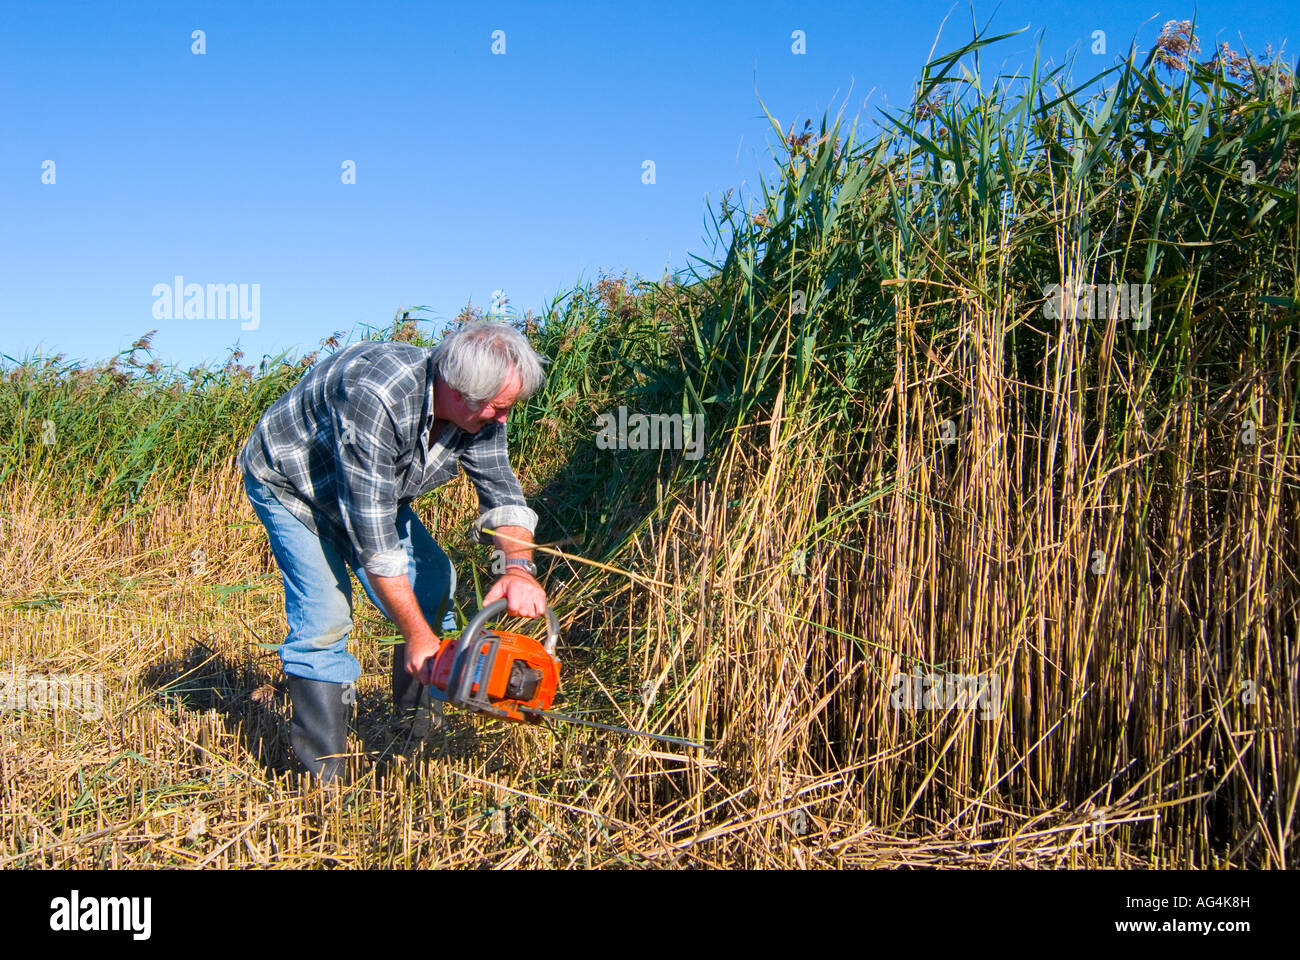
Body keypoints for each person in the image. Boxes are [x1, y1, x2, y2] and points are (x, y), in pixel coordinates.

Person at [238, 321, 548, 783]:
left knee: (434, 583)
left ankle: (415, 726)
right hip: (294, 486)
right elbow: (375, 543)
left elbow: (501, 490)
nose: (503, 419)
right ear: (461, 391)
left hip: (371, 491)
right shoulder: (379, 396)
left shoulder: (481, 411)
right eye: (499, 408)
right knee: (324, 621)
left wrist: (519, 568)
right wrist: (418, 637)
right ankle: (325, 781)